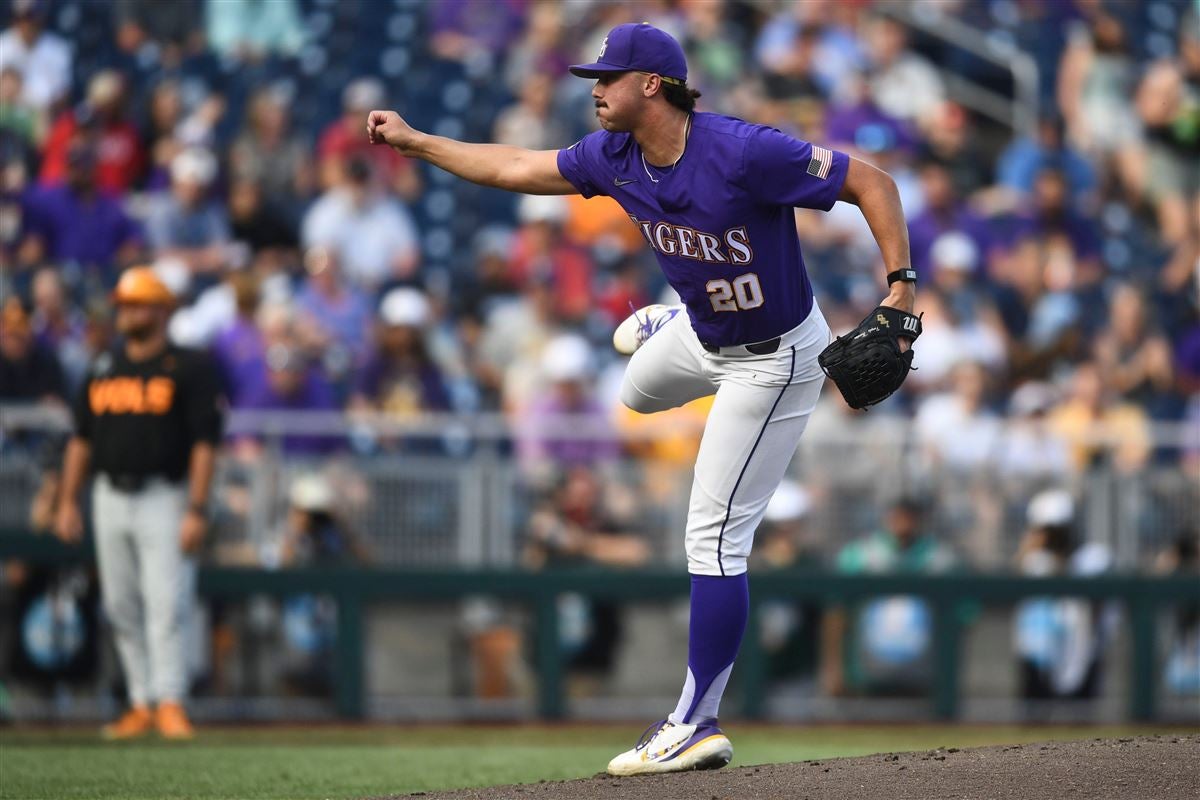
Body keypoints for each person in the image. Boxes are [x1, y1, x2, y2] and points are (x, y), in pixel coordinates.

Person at [367, 21, 917, 775]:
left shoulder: (742, 150)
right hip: (706, 335)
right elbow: (514, 167)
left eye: (607, 77)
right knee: (633, 389)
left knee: (714, 539)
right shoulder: (613, 156)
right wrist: (417, 141)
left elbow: (873, 183)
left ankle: (695, 721)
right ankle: (671, 319)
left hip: (776, 359)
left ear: (651, 84)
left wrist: (900, 294)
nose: (594, 89)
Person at [53, 266, 224, 740]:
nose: (127, 313)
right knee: (121, 604)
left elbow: (205, 443)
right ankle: (140, 701)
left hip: (163, 496)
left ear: (162, 310)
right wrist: (68, 501)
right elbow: (80, 441)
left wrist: (196, 506)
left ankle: (170, 700)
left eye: (138, 304)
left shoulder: (188, 366)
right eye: (124, 304)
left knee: (168, 602)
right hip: (108, 494)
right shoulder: (103, 366)